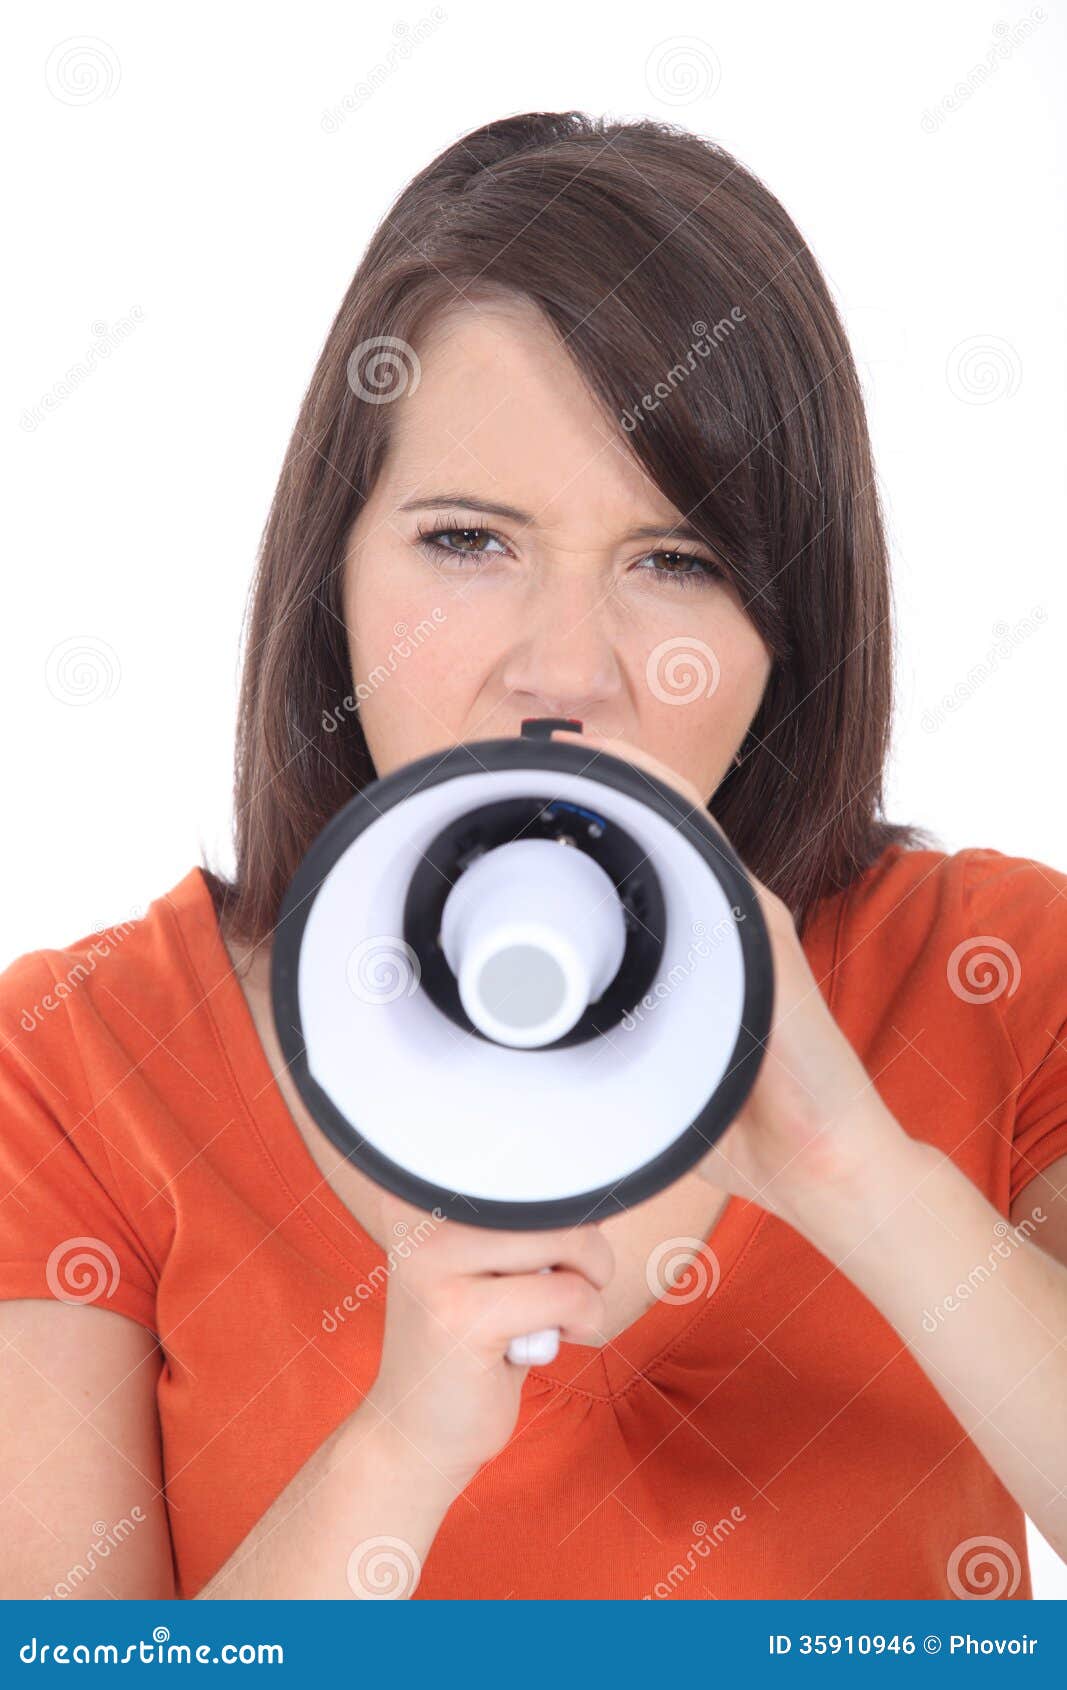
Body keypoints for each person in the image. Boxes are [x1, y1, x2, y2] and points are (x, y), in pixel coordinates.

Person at [1, 111, 1064, 1602]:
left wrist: (866, 1180)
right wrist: (400, 1449)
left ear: (792, 628)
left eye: (676, 562)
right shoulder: (80, 1060)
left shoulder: (997, 974)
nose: (566, 671)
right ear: (336, 576)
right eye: (467, 540)